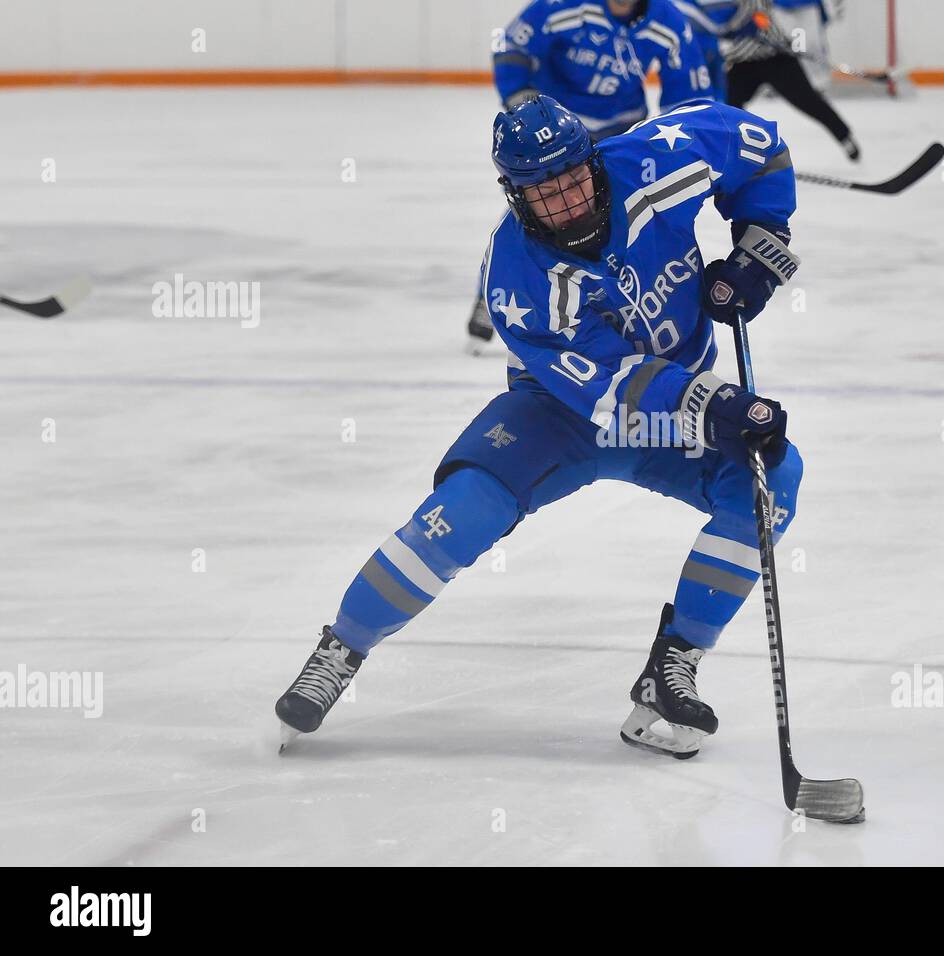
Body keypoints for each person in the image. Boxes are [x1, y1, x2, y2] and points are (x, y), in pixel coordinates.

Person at [277, 94, 804, 760]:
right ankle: (340, 650)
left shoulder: (656, 159)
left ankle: (673, 665)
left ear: (592, 159)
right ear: (514, 194)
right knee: (462, 511)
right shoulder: (515, 276)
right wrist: (719, 407)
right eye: (544, 194)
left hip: (677, 407)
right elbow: (614, 386)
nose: (568, 203)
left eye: (574, 181)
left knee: (771, 482)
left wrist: (761, 241)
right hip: (561, 412)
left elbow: (758, 145)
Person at [468, 0, 717, 353]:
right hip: (557, 143)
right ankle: (490, 292)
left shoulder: (667, 19)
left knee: (628, 220)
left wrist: (684, 141)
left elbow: (690, 94)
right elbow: (512, 46)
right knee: (540, 213)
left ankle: (629, 301)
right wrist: (524, 103)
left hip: (619, 139)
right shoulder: (564, 7)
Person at [681, 0, 861, 161]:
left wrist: (732, 26)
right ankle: (732, 153)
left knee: (809, 101)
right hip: (742, 64)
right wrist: (724, 28)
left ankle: (844, 136)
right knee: (730, 109)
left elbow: (755, 13)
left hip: (775, 59)